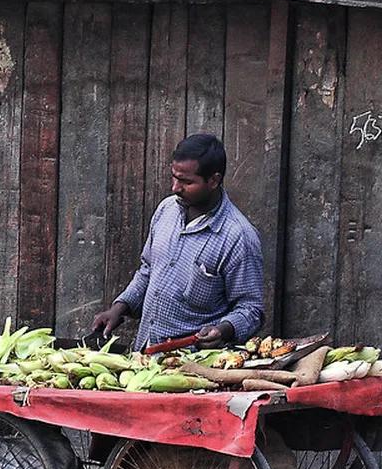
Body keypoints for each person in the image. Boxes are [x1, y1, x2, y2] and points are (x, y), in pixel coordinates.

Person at [92, 133, 264, 350]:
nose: (175, 187)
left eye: (186, 182)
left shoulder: (238, 236)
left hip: (191, 367)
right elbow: (148, 271)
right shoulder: (166, 210)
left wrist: (224, 329)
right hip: (144, 356)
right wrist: (119, 307)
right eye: (174, 177)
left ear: (213, 180)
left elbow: (251, 309)